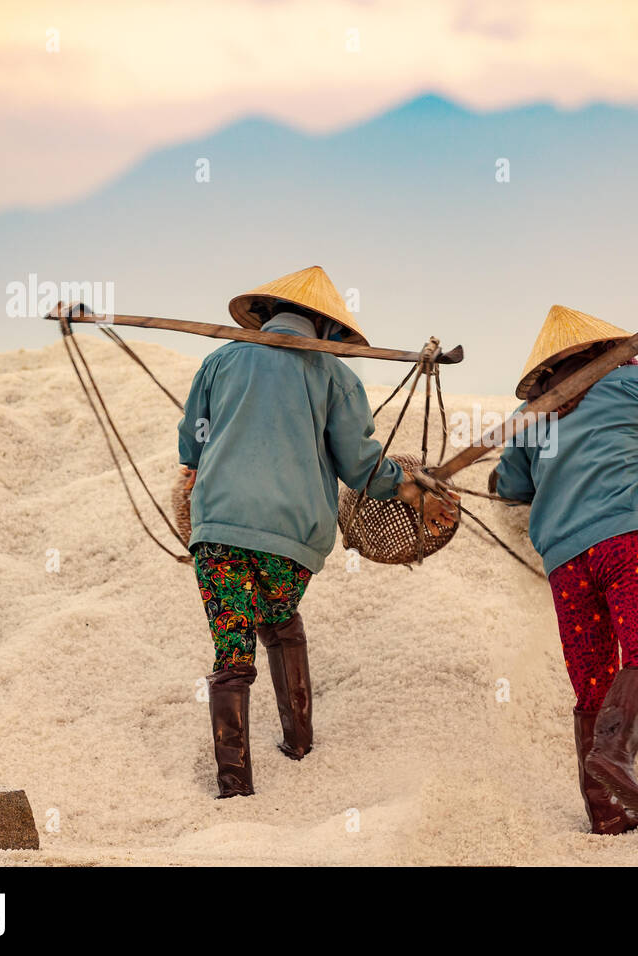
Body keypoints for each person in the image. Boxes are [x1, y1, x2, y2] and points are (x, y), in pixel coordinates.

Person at [178, 265, 457, 798]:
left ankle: (234, 784)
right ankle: (299, 742)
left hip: (217, 531)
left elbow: (192, 447)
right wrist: (413, 487)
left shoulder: (220, 360)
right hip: (292, 541)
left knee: (232, 650)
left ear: (265, 316)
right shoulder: (336, 375)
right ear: (328, 330)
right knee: (280, 618)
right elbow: (360, 467)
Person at [490, 304, 638, 834]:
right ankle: (614, 754)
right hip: (626, 543)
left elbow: (512, 488)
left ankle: (605, 814)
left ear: (549, 368)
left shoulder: (535, 415)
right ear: (606, 349)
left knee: (592, 685)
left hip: (565, 565)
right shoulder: (635, 382)